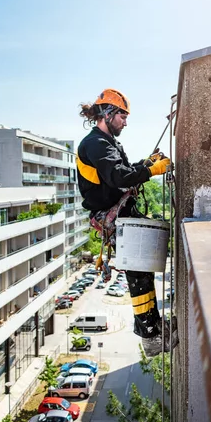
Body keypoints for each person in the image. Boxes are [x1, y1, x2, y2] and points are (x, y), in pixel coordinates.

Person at [76, 88, 178, 357]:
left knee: (142, 272)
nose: (125, 121)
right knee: (139, 275)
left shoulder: (107, 143)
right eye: (122, 115)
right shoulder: (95, 144)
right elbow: (119, 178)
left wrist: (145, 164)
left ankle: (153, 329)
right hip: (114, 215)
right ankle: (152, 338)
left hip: (119, 214)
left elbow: (123, 171)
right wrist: (151, 170)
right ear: (107, 113)